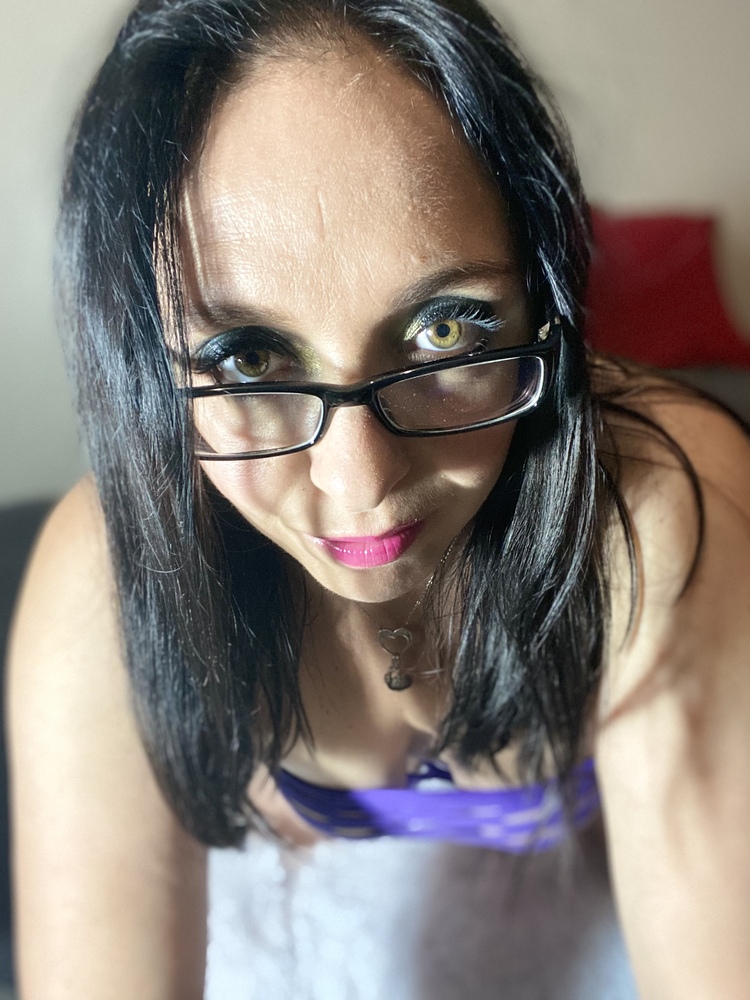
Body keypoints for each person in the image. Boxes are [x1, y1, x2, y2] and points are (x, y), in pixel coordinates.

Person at [6, 0, 750, 997]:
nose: (360, 484)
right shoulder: (108, 576)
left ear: (540, 294)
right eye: (248, 357)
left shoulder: (655, 502)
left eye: (446, 330)